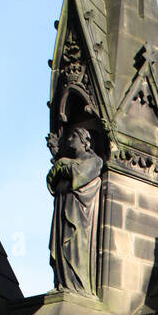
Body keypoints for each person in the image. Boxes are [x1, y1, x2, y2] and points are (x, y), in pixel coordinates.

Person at [47, 125, 102, 294]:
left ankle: (77, 287)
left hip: (79, 217)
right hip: (63, 212)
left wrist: (63, 164)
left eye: (73, 137)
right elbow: (51, 180)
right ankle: (63, 283)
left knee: (75, 251)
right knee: (62, 251)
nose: (69, 140)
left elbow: (78, 176)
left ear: (84, 141)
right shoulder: (68, 161)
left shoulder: (94, 161)